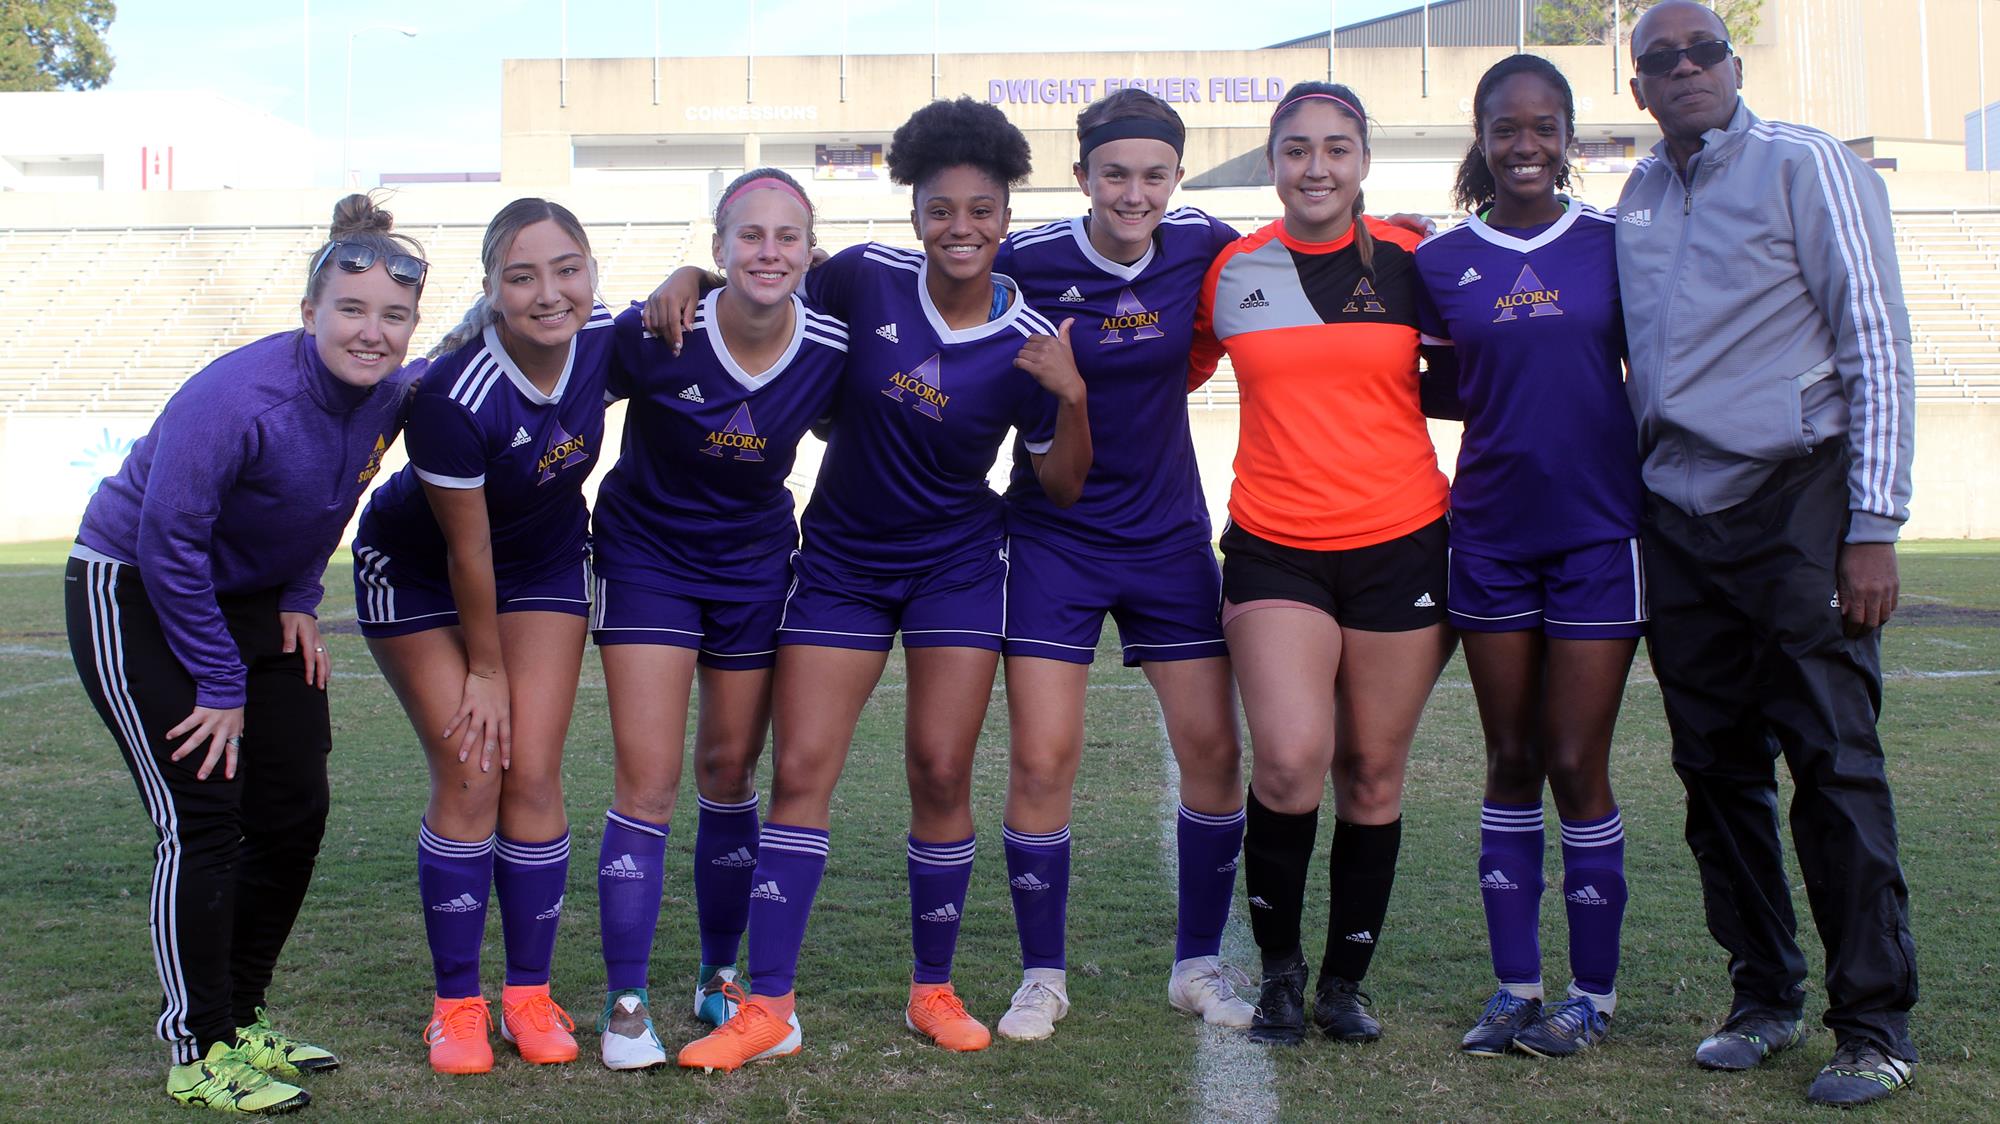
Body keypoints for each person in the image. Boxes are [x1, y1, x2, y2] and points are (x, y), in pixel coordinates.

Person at [670, 96, 1091, 1071]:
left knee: (941, 771)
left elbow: (1061, 483)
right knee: (801, 769)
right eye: (941, 208)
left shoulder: (1029, 339)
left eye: (980, 210)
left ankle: (931, 988)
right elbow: (758, 287)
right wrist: (689, 270)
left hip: (952, 565)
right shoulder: (861, 276)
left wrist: (1071, 397)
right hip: (843, 561)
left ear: (1002, 216)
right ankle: (767, 1004)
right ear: (914, 215)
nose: (960, 227)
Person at [1617, 1, 1919, 1106]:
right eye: (1661, 58)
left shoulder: (1806, 164)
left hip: (1797, 499)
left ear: (1732, 65)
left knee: (1832, 765)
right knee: (1713, 771)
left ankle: (1872, 1022)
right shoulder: (1639, 194)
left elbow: (1874, 341)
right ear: (1636, 87)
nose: (1686, 67)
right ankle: (1761, 993)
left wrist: (1872, 523)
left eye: (1703, 51)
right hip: (1677, 518)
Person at [65, 193, 426, 1115]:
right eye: (351, 310)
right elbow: (167, 539)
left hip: (253, 601)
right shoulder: (238, 396)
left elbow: (333, 500)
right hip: (134, 587)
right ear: (310, 313)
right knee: (203, 816)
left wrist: (301, 597)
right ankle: (197, 1047)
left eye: (393, 316)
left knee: (294, 806)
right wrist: (220, 680)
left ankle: (244, 1015)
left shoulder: (389, 394)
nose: (372, 332)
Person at [1189, 81, 1455, 1047]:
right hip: (1276, 548)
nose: (1317, 167)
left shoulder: (1419, 259)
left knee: (1373, 772)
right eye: (1297, 149)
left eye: (1337, 148)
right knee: (1294, 762)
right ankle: (1282, 974)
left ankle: (1345, 982)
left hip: (1404, 543)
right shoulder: (1232, 269)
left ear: (1364, 163)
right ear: (1273, 161)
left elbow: (1491, 358)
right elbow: (1160, 365)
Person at [989, 89, 1252, 1041]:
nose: (1133, 193)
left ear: (1176, 179)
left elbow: (1307, 252)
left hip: (1170, 540)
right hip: (1056, 539)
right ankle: (1041, 977)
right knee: (1042, 757)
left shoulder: (1203, 247)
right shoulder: (1025, 265)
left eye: (1153, 175)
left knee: (1215, 756)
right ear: (1083, 177)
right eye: (1115, 174)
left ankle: (1198, 966)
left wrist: (1401, 232)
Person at [587, 168, 847, 1070]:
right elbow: (565, 379)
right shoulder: (659, 330)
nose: (768, 252)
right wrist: (678, 284)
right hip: (648, 561)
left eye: (787, 238)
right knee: (649, 780)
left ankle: (716, 976)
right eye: (749, 237)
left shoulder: (830, 344)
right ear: (718, 247)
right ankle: (624, 1005)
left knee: (729, 770)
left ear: (811, 252)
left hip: (753, 566)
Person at [352, 198, 615, 1075]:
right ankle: (456, 1006)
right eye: (523, 276)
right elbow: (467, 554)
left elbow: (695, 308)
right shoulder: (453, 395)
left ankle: (529, 995)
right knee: (473, 770)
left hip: (540, 569)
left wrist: (694, 276)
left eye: (566, 268)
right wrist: (487, 673)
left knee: (533, 773)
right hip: (423, 572)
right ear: (494, 291)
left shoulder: (608, 338)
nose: (549, 292)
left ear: (589, 270)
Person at [1412, 55, 1641, 1060]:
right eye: (1506, 127)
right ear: (1479, 134)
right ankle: (1513, 986)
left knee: (1572, 756)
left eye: (1543, 126)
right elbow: (1433, 385)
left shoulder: (1610, 245)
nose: (1524, 144)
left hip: (1596, 536)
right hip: (1491, 539)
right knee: (1507, 757)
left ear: (1567, 134)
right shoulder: (1440, 260)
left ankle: (1589, 995)